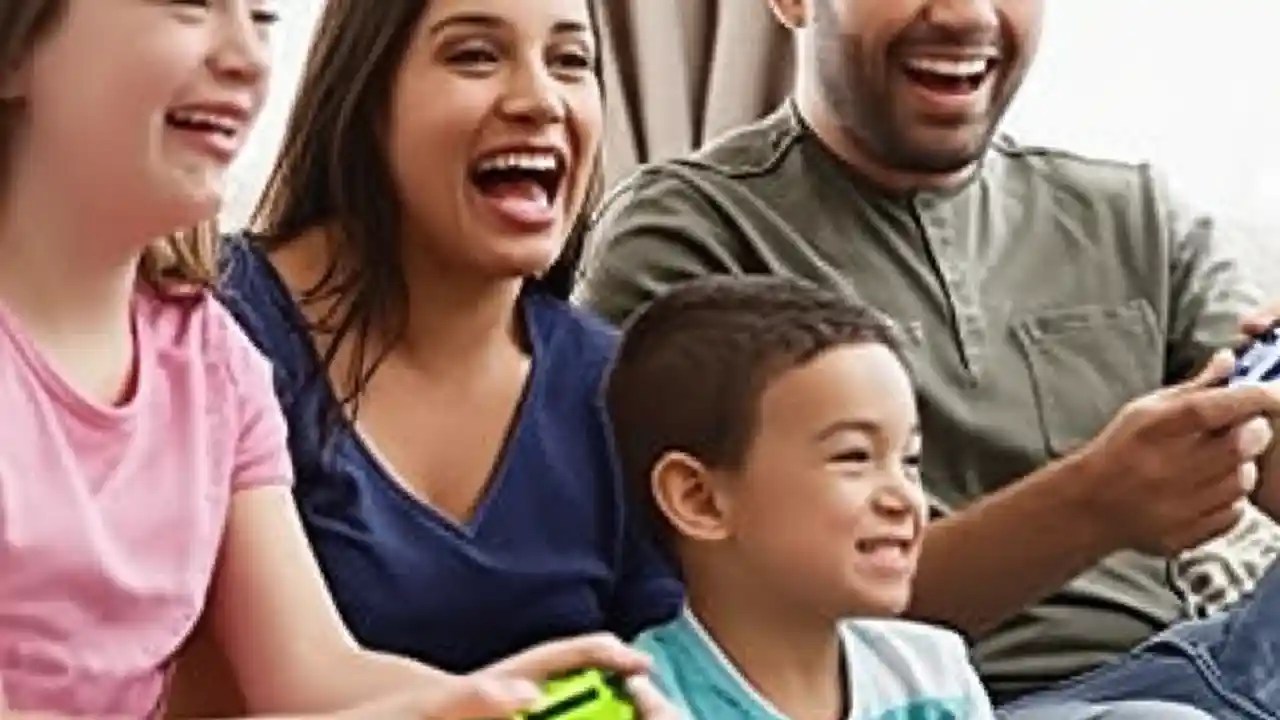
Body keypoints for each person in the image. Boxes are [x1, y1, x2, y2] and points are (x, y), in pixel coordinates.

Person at [576, 0, 1280, 711]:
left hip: (1210, 658)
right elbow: (726, 620)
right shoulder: (688, 240)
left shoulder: (1138, 212)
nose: (967, 14)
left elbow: (1263, 452)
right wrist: (1093, 503)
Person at [0, 0, 673, 718]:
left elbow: (311, 675)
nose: (248, 59)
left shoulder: (209, 356)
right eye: (189, 7)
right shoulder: (241, 323)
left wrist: (494, 704)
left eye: (261, 18)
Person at [206, 0, 679, 694]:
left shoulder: (620, 390)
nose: (540, 100)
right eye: (475, 56)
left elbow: (682, 668)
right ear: (366, 97)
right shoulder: (209, 323)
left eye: (571, 61)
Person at [608, 276, 1210, 720]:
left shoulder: (930, 671)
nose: (903, 497)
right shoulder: (641, 701)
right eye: (853, 458)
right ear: (700, 500)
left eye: (910, 461)